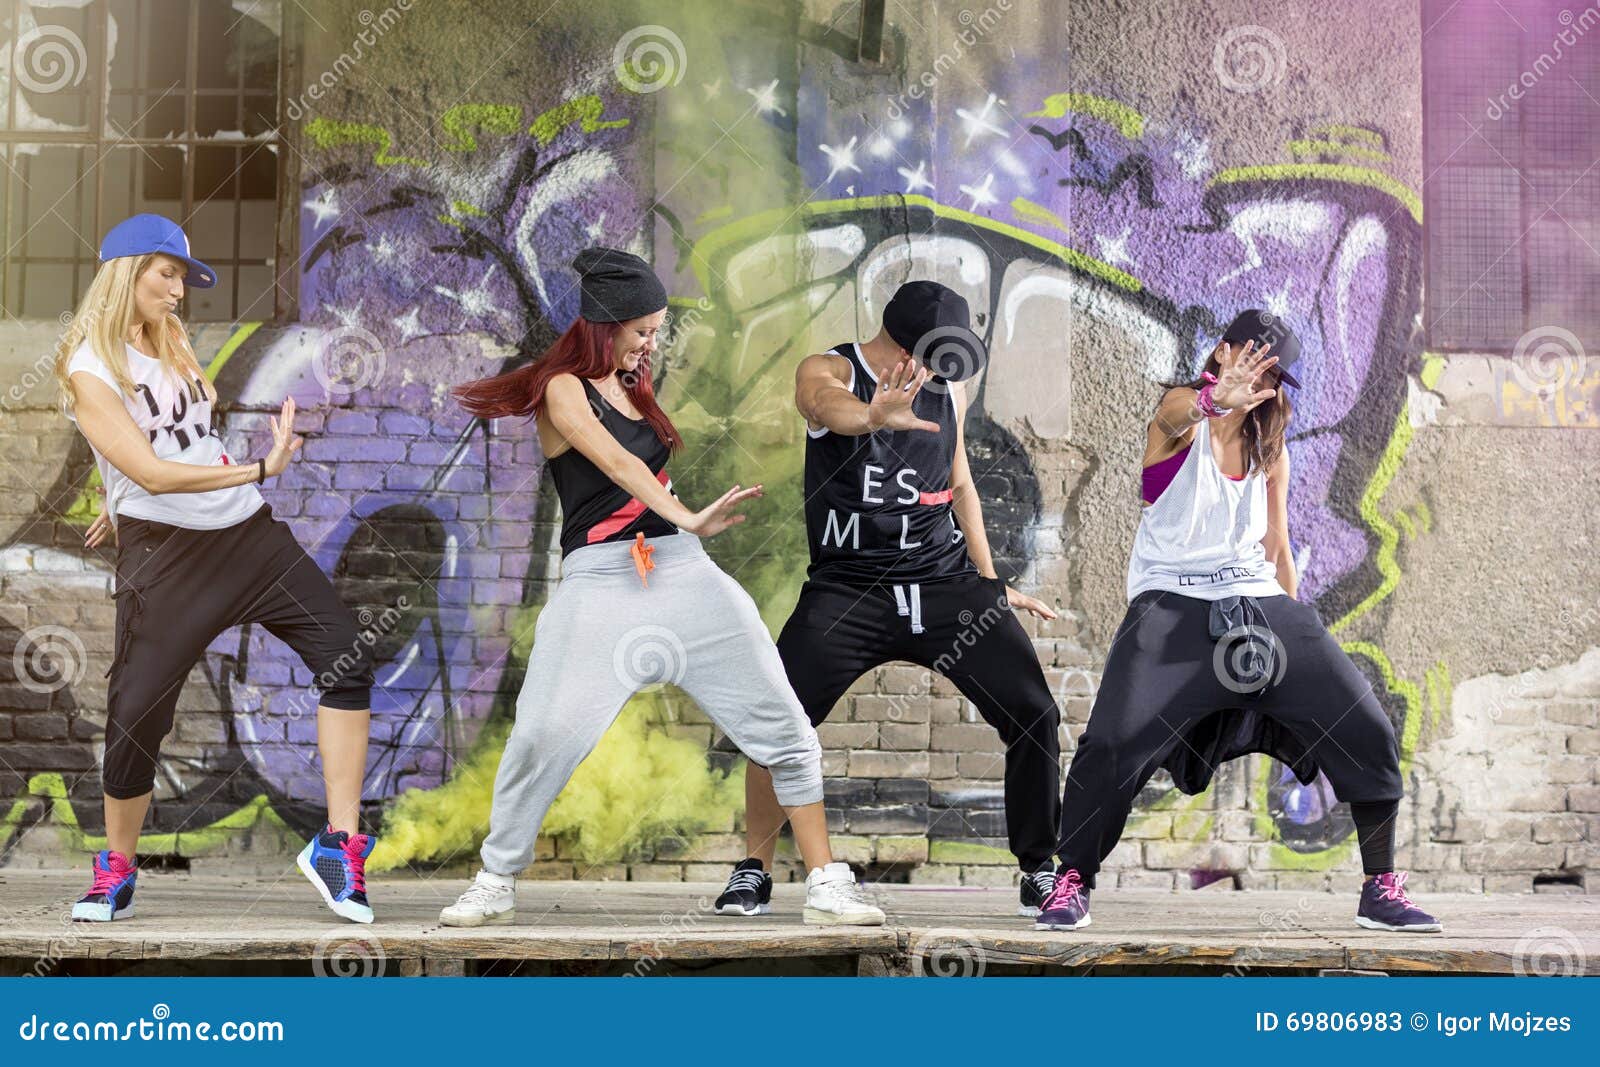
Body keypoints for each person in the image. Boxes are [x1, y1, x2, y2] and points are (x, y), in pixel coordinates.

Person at [438, 248, 884, 927]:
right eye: (643, 330)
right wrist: (686, 513)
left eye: (656, 329)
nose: (652, 343)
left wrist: (681, 526)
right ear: (605, 324)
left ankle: (825, 880)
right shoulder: (564, 387)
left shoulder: (633, 386)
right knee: (543, 733)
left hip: (677, 570)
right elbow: (613, 462)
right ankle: (496, 877)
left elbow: (642, 462)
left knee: (782, 718)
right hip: (599, 583)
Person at [1035, 310, 1440, 934]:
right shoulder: (1179, 418)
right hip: (1170, 603)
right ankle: (1071, 880)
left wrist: (1302, 631)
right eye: (1253, 366)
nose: (1261, 385)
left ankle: (1380, 886)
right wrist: (1209, 400)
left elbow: (1275, 542)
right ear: (1222, 353)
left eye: (1274, 376)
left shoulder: (1268, 441)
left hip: (1256, 598)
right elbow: (1174, 415)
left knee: (1365, 723)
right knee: (1112, 744)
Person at [56, 214, 377, 924]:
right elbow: (145, 467)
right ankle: (117, 868)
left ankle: (339, 844)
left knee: (347, 654)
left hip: (243, 533)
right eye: (165, 274)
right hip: (165, 556)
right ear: (125, 271)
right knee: (136, 717)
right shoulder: (88, 365)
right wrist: (263, 465)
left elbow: (184, 444)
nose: (177, 291)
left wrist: (136, 491)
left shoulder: (172, 343)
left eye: (182, 279)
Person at [714, 281, 1065, 920]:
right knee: (775, 719)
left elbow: (961, 486)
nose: (938, 371)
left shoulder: (945, 388)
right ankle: (754, 869)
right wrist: (874, 415)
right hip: (849, 589)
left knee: (1035, 711)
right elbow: (825, 407)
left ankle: (1039, 869)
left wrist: (987, 584)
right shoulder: (830, 368)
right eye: (932, 355)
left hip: (944, 583)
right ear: (899, 346)